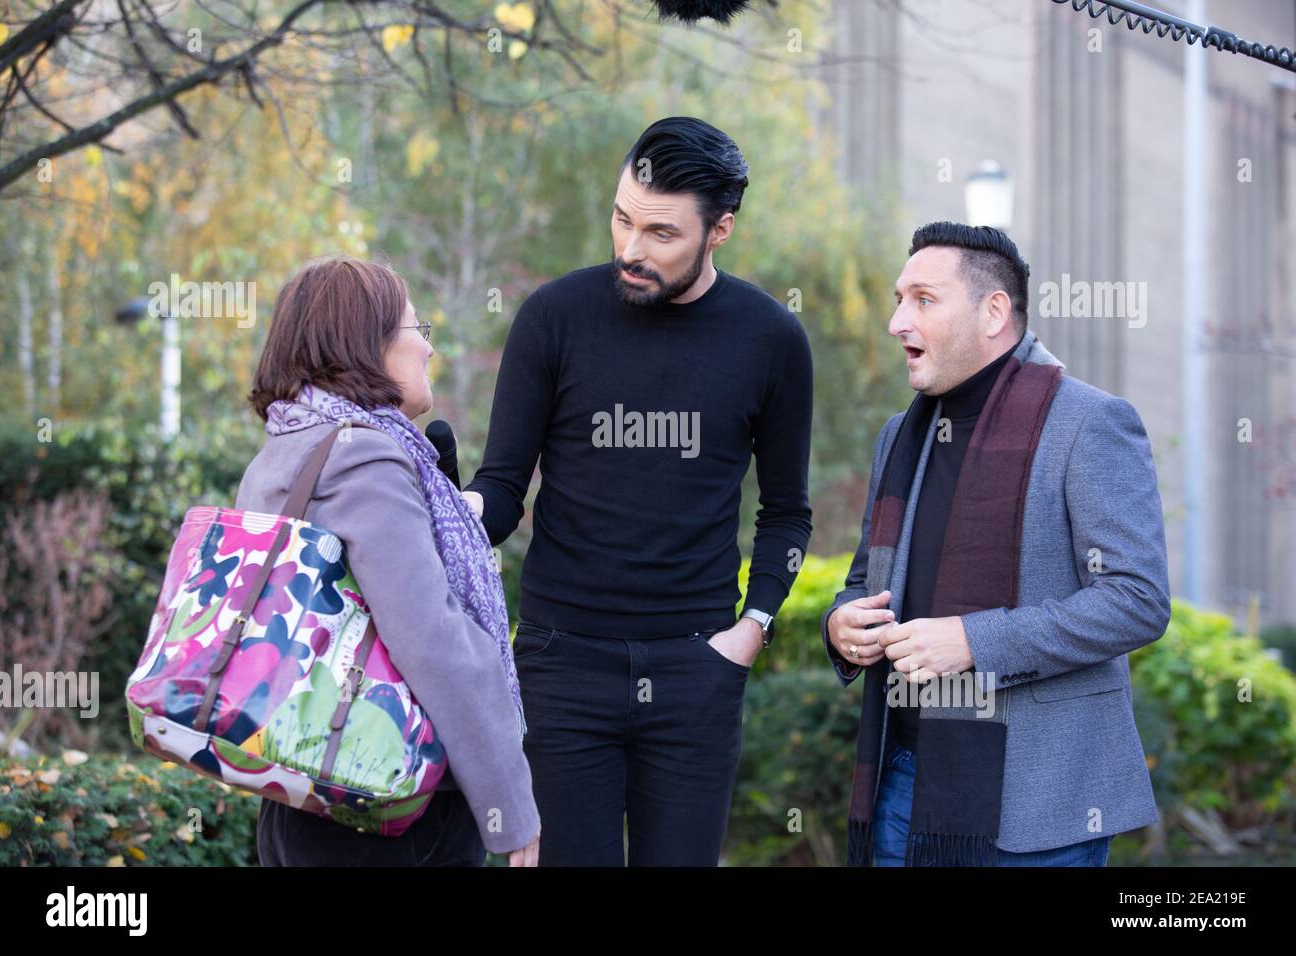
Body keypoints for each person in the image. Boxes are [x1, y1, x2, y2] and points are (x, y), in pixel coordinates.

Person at [461, 117, 814, 865]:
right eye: (622, 218)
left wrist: (750, 631)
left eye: (661, 233)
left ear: (720, 229)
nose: (630, 248)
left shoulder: (771, 338)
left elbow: (785, 513)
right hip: (561, 665)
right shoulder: (553, 319)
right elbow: (500, 490)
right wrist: (442, 512)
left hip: (698, 668)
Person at [822, 222, 1170, 867]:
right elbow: (865, 582)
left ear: (993, 312)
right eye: (899, 299)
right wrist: (843, 623)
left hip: (1042, 805)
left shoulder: (1091, 423)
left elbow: (1137, 600)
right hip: (901, 781)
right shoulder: (900, 436)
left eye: (923, 300)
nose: (898, 321)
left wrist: (975, 643)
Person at [237, 255, 540, 866]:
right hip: (386, 807)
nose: (428, 349)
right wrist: (510, 806)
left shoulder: (290, 443)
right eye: (416, 330)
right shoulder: (365, 460)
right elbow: (434, 639)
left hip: (306, 797)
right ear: (367, 346)